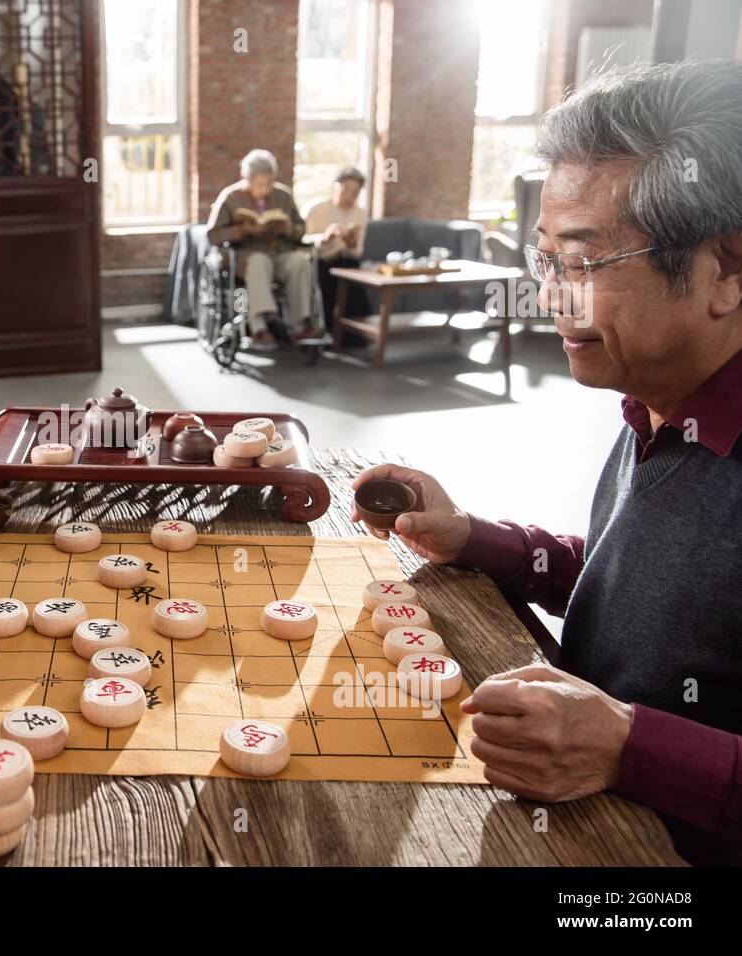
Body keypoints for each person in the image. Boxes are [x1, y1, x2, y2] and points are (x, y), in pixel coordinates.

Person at [352, 60, 742, 865]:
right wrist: (471, 539)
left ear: (726, 268)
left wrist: (631, 748)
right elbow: (636, 592)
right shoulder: (657, 407)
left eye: (584, 266)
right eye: (545, 263)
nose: (550, 300)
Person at [205, 149, 319, 347]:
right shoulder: (230, 198)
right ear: (246, 179)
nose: (265, 189)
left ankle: (300, 325)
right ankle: (260, 326)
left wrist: (288, 228)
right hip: (246, 257)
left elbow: (301, 229)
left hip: (279, 252)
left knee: (300, 262)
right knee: (259, 261)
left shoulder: (283, 196)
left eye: (269, 183)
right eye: (260, 184)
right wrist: (241, 230)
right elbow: (213, 235)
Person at [304, 166, 370, 325]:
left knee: (355, 285)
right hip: (322, 260)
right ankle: (327, 330)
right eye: (346, 189)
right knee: (326, 281)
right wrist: (323, 239)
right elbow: (302, 240)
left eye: (355, 191)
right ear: (336, 185)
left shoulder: (360, 214)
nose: (349, 195)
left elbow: (358, 251)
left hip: (347, 261)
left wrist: (351, 243)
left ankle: (354, 335)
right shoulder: (316, 209)